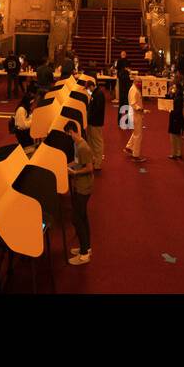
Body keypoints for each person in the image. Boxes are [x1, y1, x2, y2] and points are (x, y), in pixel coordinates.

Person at [65, 120, 95, 265]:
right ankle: (86, 248)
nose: (68, 136)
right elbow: (76, 161)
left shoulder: (83, 147)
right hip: (79, 186)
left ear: (71, 131)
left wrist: (74, 173)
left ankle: (84, 255)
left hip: (84, 187)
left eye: (68, 134)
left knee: (77, 219)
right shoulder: (77, 144)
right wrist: (66, 166)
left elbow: (89, 168)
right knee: (82, 217)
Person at [125, 74, 146, 162]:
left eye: (140, 82)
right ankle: (136, 155)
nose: (139, 83)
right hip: (135, 114)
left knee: (136, 132)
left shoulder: (135, 89)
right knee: (138, 135)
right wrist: (141, 109)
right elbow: (133, 104)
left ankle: (129, 147)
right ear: (134, 81)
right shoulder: (134, 90)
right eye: (138, 82)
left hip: (135, 113)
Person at [86, 79, 106, 170]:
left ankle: (98, 163)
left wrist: (89, 117)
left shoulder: (99, 94)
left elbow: (98, 110)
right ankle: (94, 159)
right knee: (91, 142)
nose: (88, 91)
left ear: (92, 86)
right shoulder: (95, 93)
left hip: (96, 123)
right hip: (92, 122)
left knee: (97, 143)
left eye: (88, 89)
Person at [168, 70, 184, 159]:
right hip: (177, 116)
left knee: (174, 136)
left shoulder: (178, 95)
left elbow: (177, 108)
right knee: (177, 135)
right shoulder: (178, 93)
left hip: (175, 117)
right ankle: (178, 153)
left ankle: (175, 153)